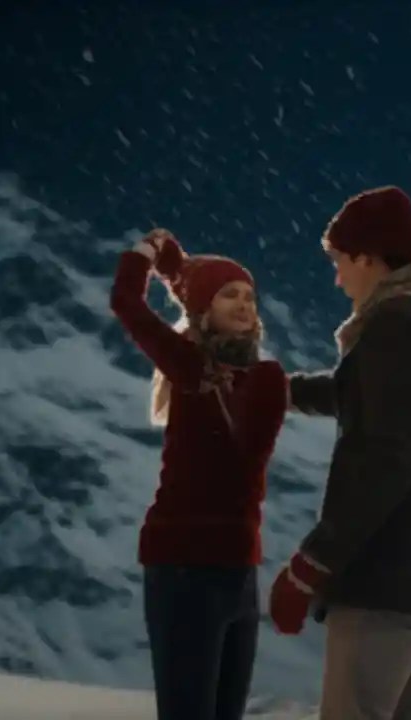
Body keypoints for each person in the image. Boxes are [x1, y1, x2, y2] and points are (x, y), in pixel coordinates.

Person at [267, 186, 411, 719]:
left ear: (368, 257)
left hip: (386, 580)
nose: (337, 278)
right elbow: (360, 396)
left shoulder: (393, 330)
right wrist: (280, 391)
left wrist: (310, 564)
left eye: (340, 261)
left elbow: (386, 459)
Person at [109, 228, 288, 720]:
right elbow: (126, 301)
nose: (244, 303)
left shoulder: (264, 379)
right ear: (203, 311)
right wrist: (146, 255)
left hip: (239, 572)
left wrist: (177, 268)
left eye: (250, 296)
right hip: (182, 569)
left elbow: (248, 450)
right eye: (229, 294)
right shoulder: (188, 365)